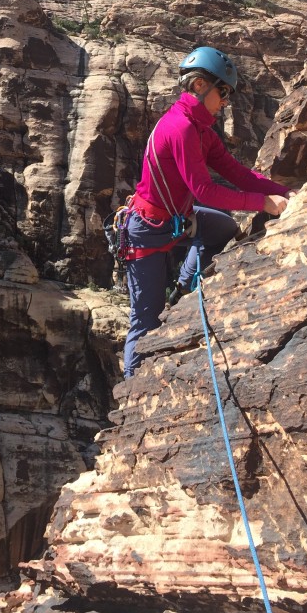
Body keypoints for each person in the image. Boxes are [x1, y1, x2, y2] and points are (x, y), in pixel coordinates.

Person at [122, 46, 293, 378]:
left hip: (176, 217)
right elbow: (204, 190)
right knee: (146, 319)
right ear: (200, 86)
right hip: (145, 228)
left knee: (222, 228)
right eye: (223, 92)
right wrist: (263, 204)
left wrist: (281, 191)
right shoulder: (181, 128)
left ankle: (184, 288)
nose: (226, 101)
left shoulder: (200, 129)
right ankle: (132, 394)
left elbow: (236, 172)